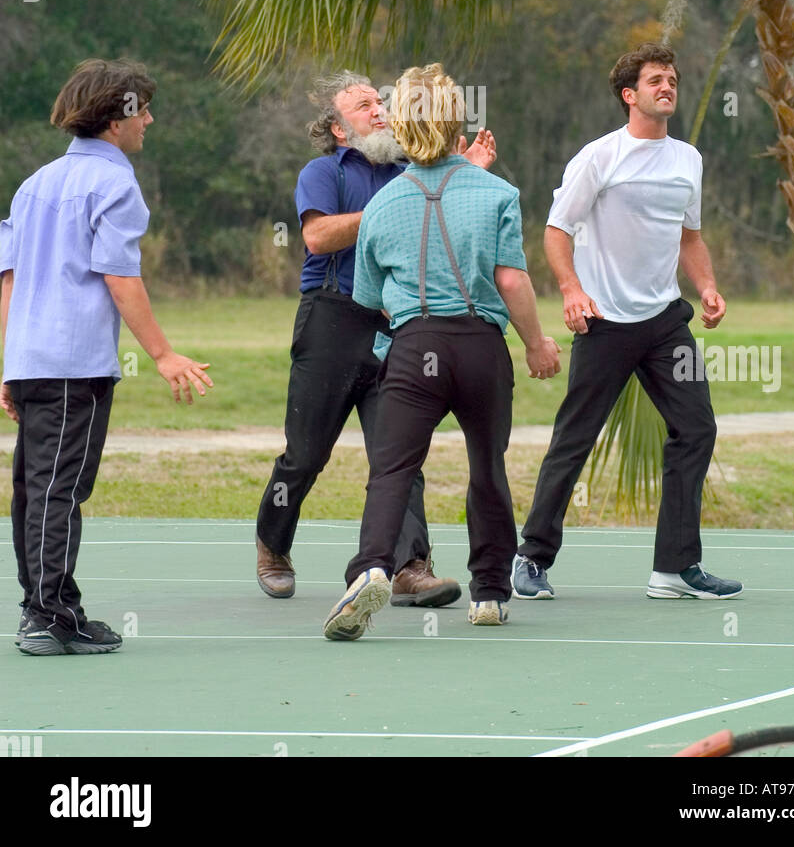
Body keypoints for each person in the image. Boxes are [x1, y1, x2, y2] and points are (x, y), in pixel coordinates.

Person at [322, 63, 560, 641]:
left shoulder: (381, 206)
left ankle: (372, 567)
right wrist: (536, 342)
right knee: (487, 466)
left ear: (400, 127)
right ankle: (490, 593)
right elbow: (511, 282)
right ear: (459, 122)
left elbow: (371, 297)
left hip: (413, 345)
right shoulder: (498, 192)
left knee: (393, 470)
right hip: (480, 345)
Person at [511, 43, 743, 602]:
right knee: (575, 438)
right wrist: (571, 290)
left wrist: (707, 285)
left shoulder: (689, 159)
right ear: (629, 94)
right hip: (606, 322)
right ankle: (530, 558)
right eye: (656, 80)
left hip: (665, 322)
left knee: (698, 428)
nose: (668, 87)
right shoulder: (599, 157)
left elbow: (689, 236)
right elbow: (556, 230)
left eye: (673, 80)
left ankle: (674, 568)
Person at [256, 71, 497, 607]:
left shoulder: (413, 171)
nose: (379, 109)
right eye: (364, 105)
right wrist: (391, 212)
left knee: (399, 453)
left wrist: (468, 174)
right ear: (341, 130)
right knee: (306, 453)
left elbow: (449, 215)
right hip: (331, 318)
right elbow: (317, 237)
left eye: (382, 101)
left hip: (397, 321)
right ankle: (272, 544)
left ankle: (412, 567)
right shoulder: (322, 171)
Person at [0, 59, 214, 656]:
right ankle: (47, 616)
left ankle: (48, 604)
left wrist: (10, 366)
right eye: (141, 108)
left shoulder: (33, 183)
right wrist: (163, 353)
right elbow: (119, 276)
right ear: (116, 120)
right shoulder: (115, 184)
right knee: (57, 490)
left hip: (35, 359)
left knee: (36, 489)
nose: (149, 118)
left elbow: (9, 279)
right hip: (74, 365)